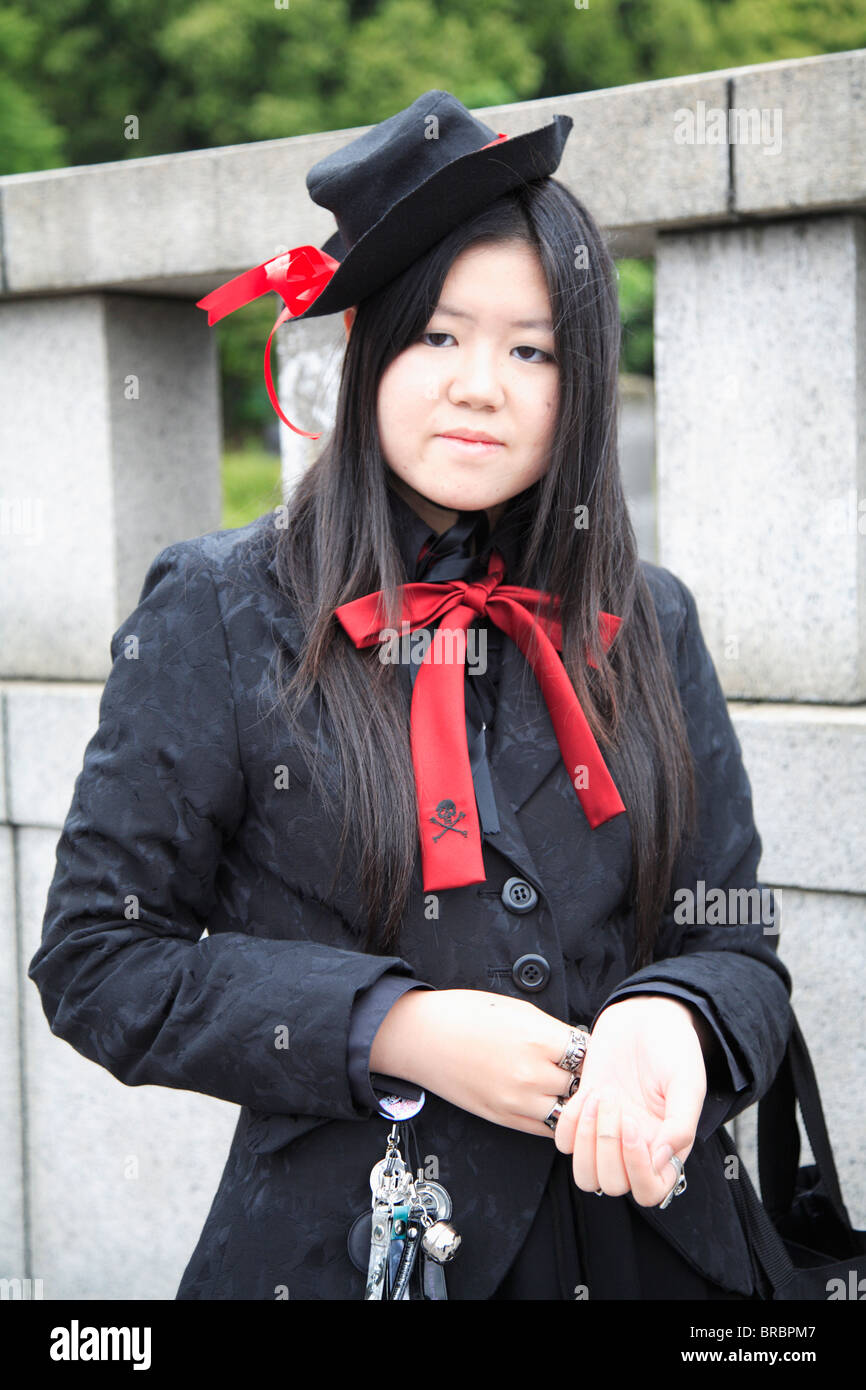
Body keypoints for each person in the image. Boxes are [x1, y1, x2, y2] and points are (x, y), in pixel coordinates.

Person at [29, 89, 792, 1301]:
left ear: (578, 379)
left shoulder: (647, 614)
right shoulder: (223, 606)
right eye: (439, 336)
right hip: (359, 1249)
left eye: (530, 348)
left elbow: (731, 940)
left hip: (655, 1246)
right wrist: (396, 1026)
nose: (479, 385)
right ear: (370, 348)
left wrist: (677, 1015)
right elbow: (97, 957)